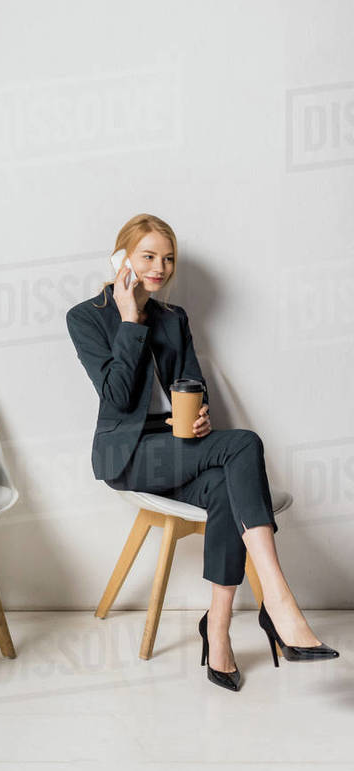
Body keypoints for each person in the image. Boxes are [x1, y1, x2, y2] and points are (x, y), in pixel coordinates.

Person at [66, 213, 337, 692]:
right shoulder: (87, 316)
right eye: (148, 255)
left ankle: (217, 631)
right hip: (129, 455)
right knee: (245, 443)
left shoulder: (174, 318)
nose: (160, 267)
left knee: (224, 489)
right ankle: (279, 602)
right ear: (121, 257)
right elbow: (116, 396)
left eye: (168, 258)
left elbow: (192, 385)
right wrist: (130, 318)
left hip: (178, 445)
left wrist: (202, 415)